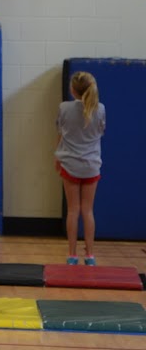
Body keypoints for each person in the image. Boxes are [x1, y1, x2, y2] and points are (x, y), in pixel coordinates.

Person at [56, 71, 106, 266]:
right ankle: (90, 256)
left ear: (72, 89)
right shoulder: (100, 109)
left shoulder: (64, 108)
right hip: (91, 165)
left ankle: (72, 255)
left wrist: (57, 156)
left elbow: (60, 133)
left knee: (73, 211)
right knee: (88, 211)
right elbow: (101, 132)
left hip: (69, 164)